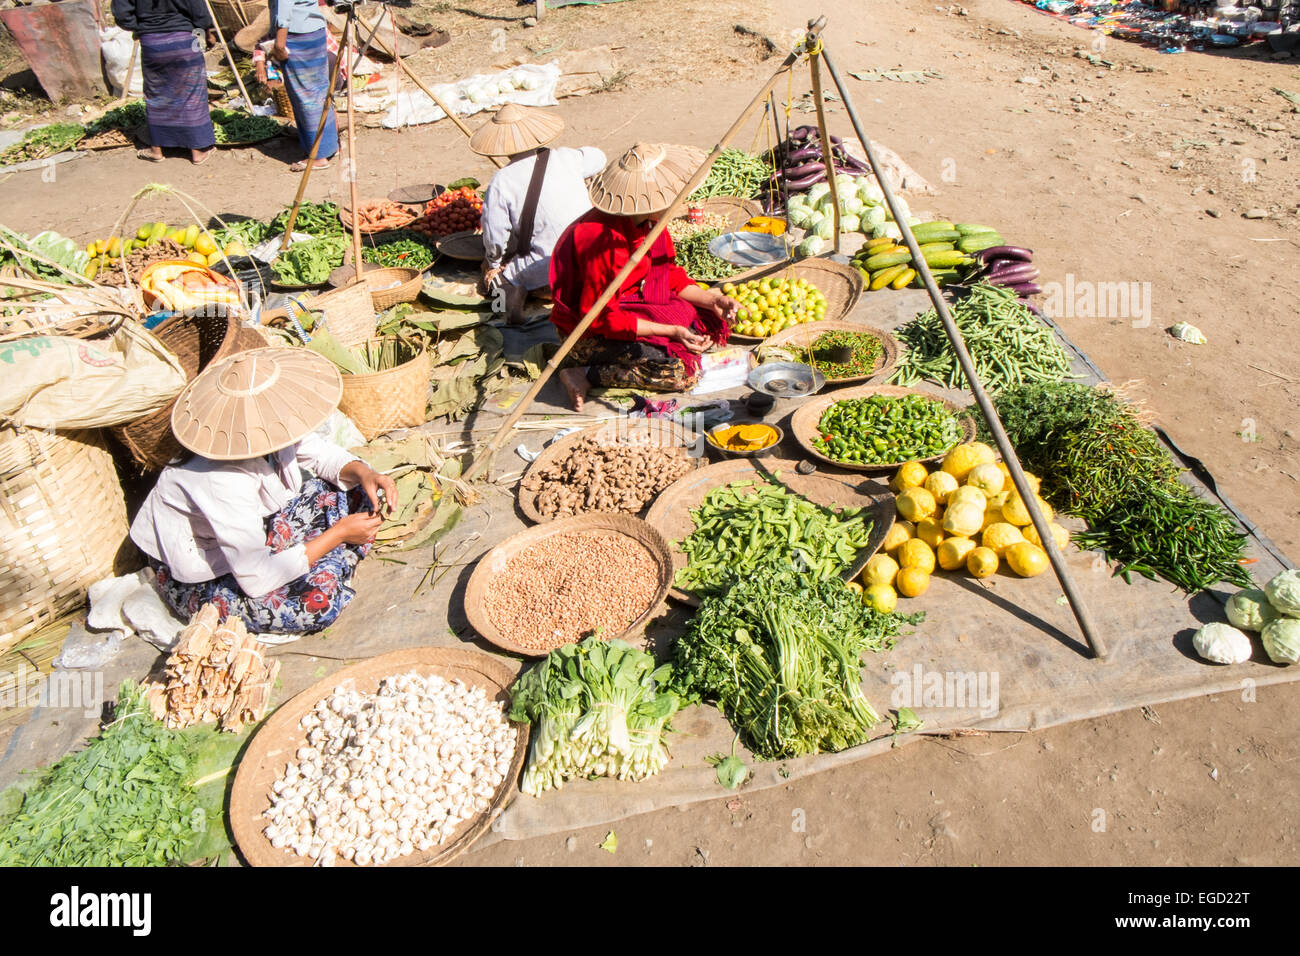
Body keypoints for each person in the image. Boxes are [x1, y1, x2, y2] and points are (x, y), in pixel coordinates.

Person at [131, 348, 397, 637]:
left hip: (253, 532)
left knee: (357, 492)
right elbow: (255, 578)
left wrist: (365, 473)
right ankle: (330, 555)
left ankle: (321, 556)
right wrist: (338, 535)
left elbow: (320, 455)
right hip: (204, 570)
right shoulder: (218, 478)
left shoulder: (271, 425)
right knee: (316, 603)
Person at [548, 143, 740, 411]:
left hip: (627, 302)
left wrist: (711, 301)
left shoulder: (650, 223)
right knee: (676, 372)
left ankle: (677, 332)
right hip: (586, 329)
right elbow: (602, 318)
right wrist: (671, 331)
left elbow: (668, 276)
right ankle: (584, 373)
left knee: (699, 323)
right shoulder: (601, 241)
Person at [472, 105, 606, 325]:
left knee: (493, 278)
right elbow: (598, 157)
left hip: (549, 271)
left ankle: (509, 298)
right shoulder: (567, 157)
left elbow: (495, 237)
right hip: (593, 260)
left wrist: (493, 263)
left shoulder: (501, 180)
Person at [111, 0, 217, 165]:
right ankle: (197, 151)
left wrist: (141, 28)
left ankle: (157, 151)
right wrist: (207, 33)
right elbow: (201, 14)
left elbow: (121, 14)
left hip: (152, 43)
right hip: (186, 41)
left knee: (156, 92)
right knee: (192, 91)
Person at [268, 0, 338, 172]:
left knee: (306, 96)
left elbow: (284, 9)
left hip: (296, 36)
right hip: (314, 32)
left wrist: (279, 44)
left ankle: (318, 156)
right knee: (319, 91)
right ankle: (329, 145)